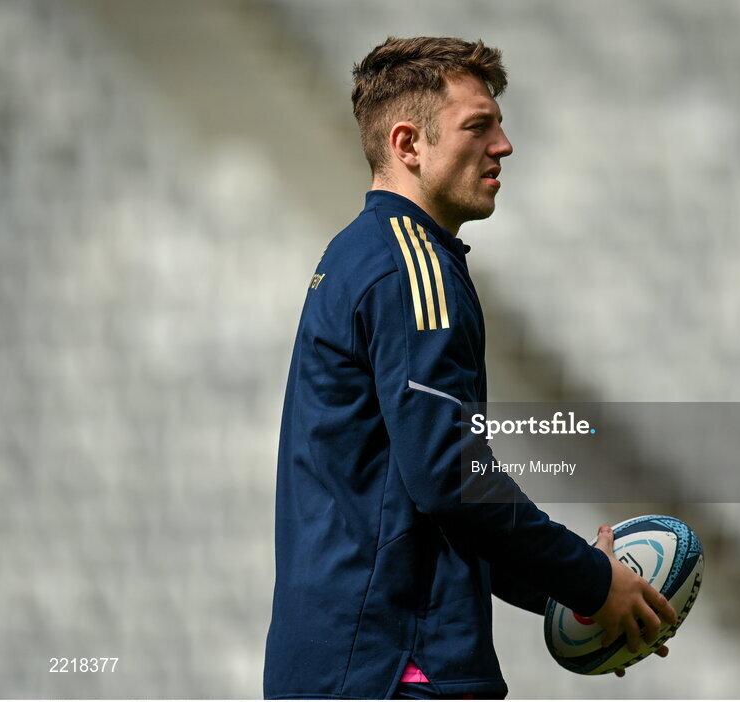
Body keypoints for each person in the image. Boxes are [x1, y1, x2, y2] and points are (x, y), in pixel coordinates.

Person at [263, 36, 676, 700]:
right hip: (399, 667)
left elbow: (416, 507)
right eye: (478, 126)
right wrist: (590, 580)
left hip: (344, 663)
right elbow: (450, 480)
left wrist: (572, 596)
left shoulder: (359, 255)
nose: (504, 145)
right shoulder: (411, 267)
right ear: (407, 144)